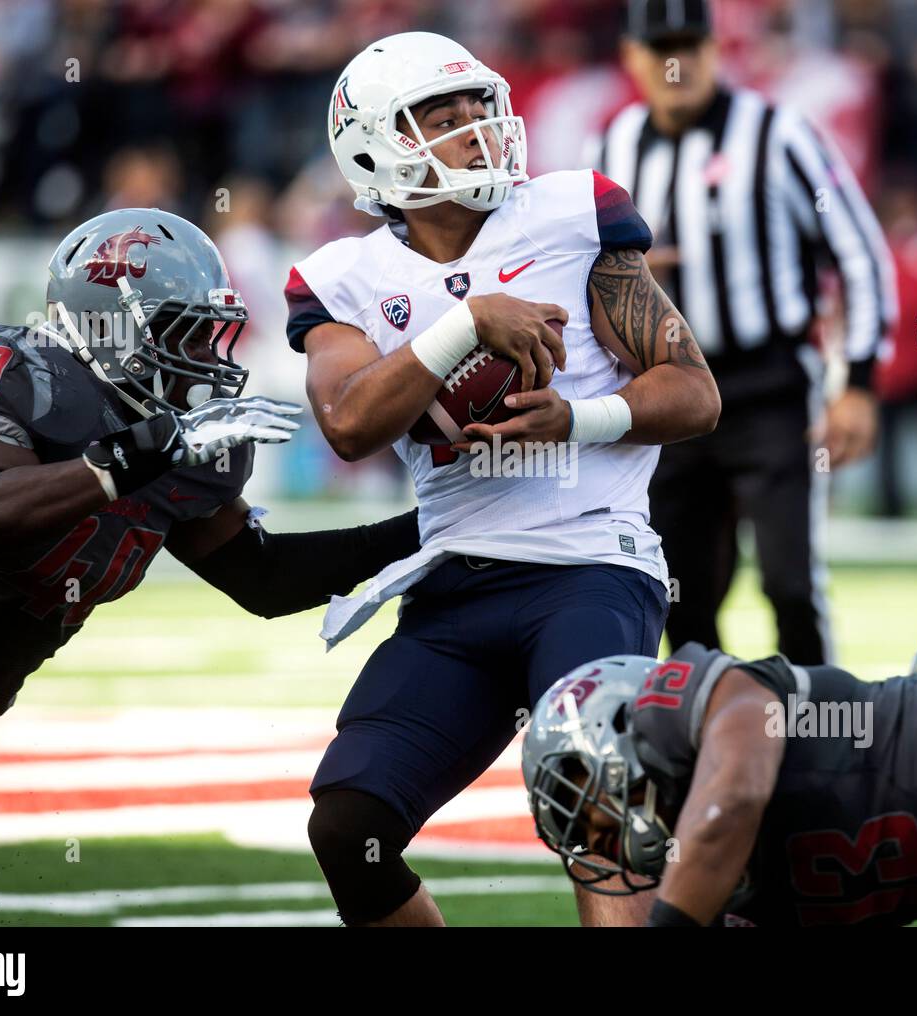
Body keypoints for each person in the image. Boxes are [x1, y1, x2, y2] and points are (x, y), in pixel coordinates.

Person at [0, 208, 421, 920]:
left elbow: (262, 578)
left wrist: (428, 529)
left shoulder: (179, 450)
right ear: (113, 326)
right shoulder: (28, 373)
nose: (205, 352)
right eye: (185, 329)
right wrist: (133, 456)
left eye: (210, 331)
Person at [288, 31, 720, 927]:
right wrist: (465, 324)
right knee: (350, 825)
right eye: (440, 119)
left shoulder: (572, 214)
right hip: (458, 581)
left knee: (598, 788)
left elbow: (693, 392)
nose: (477, 130)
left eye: (479, 107)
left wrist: (581, 416)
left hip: (591, 561)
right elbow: (350, 424)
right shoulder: (348, 276)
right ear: (376, 148)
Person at [589, 0, 896, 662]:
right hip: (664, 390)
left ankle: (819, 733)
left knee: (790, 581)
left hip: (768, 387)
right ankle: (706, 733)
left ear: (715, 49)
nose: (676, 63)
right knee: (678, 589)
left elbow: (861, 253)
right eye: (659, 46)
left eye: (690, 45)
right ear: (631, 57)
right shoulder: (609, 148)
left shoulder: (779, 133)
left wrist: (860, 383)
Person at [524, 635, 917, 927]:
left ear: (620, 723)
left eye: (588, 806)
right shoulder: (733, 898)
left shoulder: (714, 697)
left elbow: (736, 796)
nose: (601, 836)